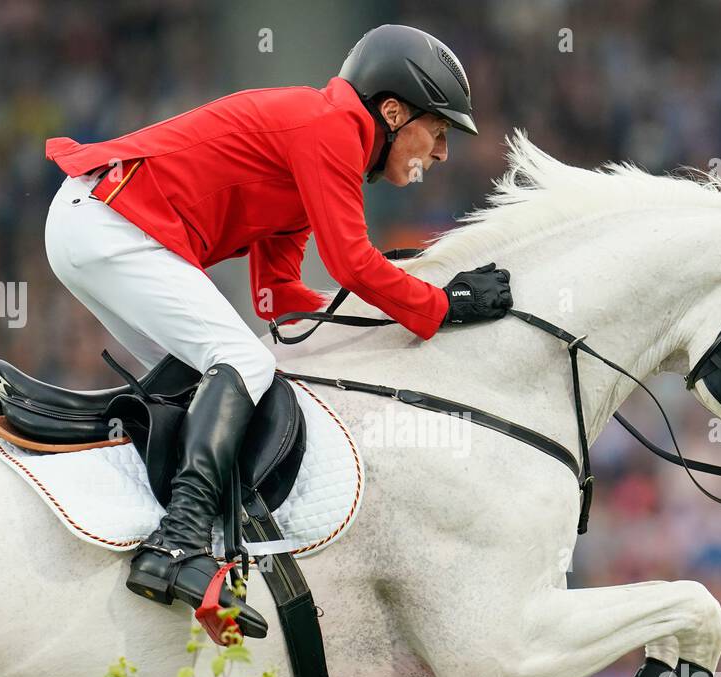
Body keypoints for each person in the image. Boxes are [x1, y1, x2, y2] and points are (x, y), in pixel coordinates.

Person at [43, 24, 513, 637]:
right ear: (393, 112)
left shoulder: (321, 142)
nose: (443, 152)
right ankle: (176, 544)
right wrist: (441, 305)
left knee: (203, 383)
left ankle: (177, 546)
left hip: (98, 223)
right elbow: (352, 264)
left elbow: (278, 297)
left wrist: (396, 308)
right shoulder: (330, 130)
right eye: (439, 130)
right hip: (111, 222)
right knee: (244, 363)